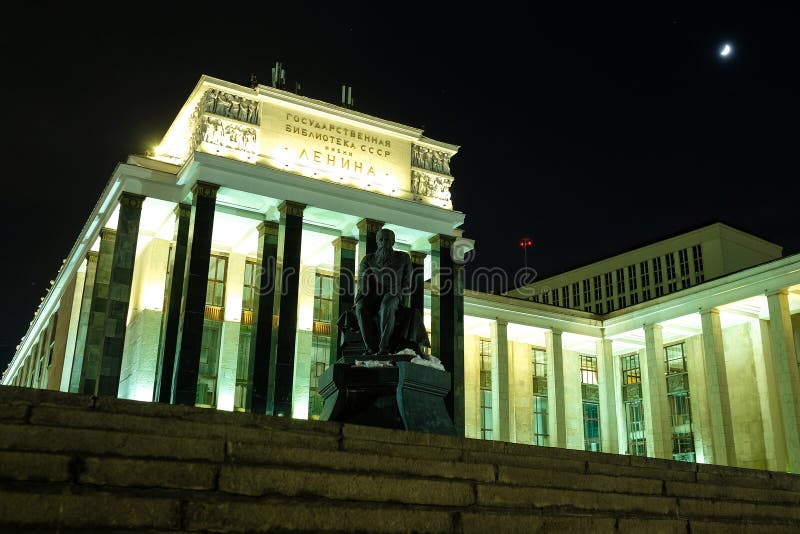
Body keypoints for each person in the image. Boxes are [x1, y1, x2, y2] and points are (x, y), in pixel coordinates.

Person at [354, 228, 412, 356]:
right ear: (377, 242)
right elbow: (362, 279)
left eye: (387, 240)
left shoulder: (403, 258)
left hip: (393, 293)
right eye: (381, 240)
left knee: (387, 306)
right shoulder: (368, 259)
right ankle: (370, 348)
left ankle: (384, 348)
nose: (383, 243)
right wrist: (361, 296)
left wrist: (404, 301)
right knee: (360, 307)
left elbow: (407, 282)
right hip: (374, 294)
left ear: (393, 242)